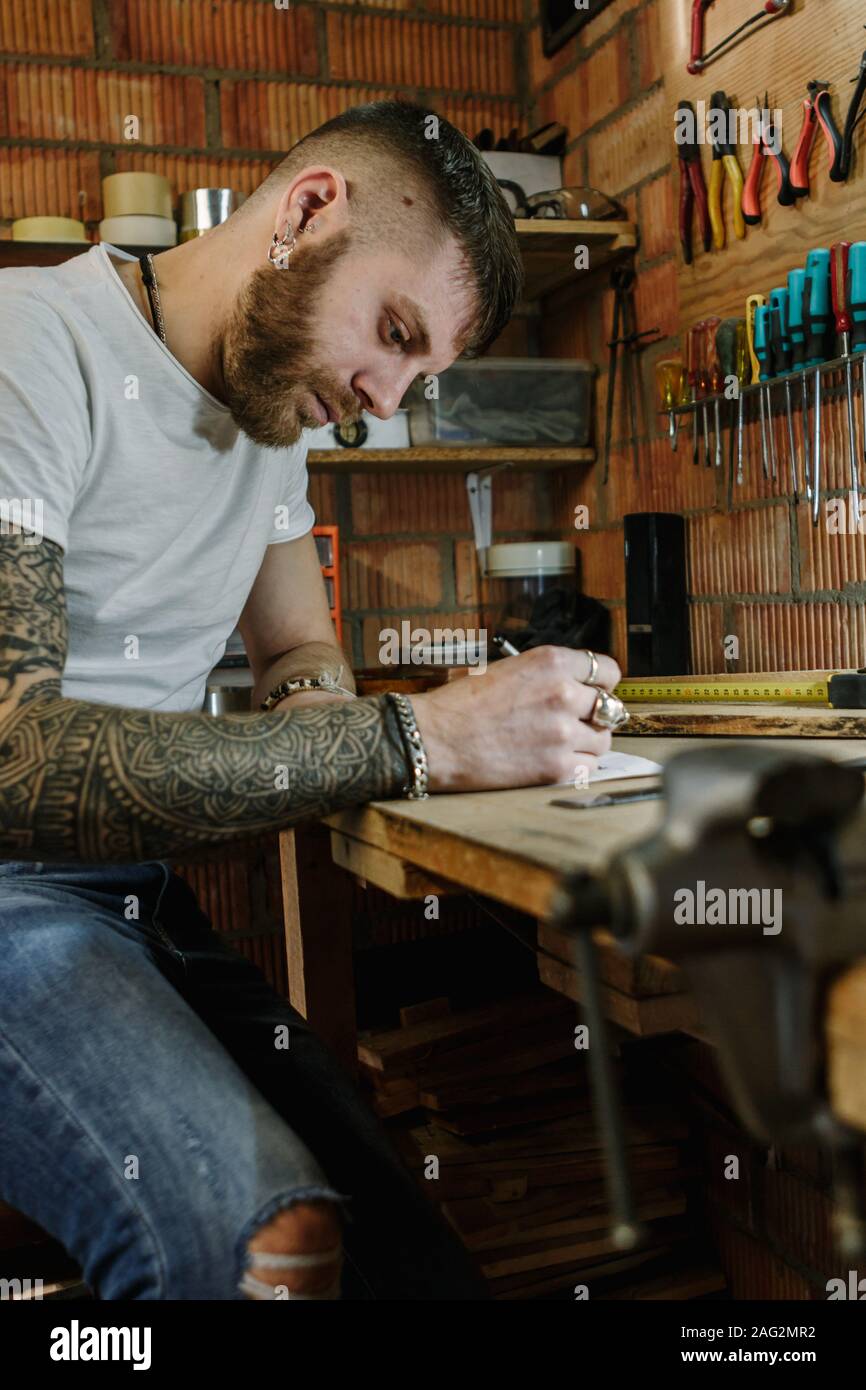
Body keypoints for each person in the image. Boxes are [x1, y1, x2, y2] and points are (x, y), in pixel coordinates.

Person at [0, 100, 621, 1300]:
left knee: (409, 1255)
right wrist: (414, 736)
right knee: (261, 1249)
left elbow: (295, 649)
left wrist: (333, 715)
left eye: (421, 371)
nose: (386, 398)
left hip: (123, 891)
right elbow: (14, 764)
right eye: (392, 332)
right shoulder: (32, 347)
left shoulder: (273, 405)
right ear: (308, 210)